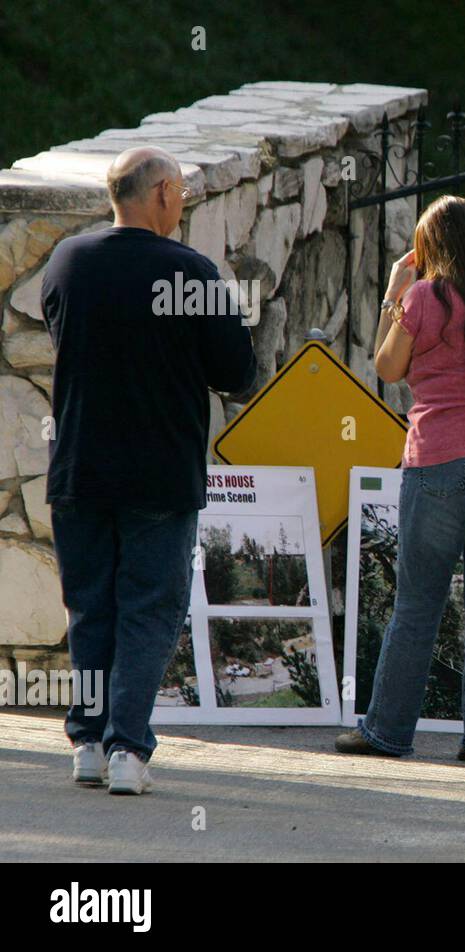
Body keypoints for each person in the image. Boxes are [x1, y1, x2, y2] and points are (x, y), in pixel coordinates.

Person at [41, 147, 256, 794]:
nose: (184, 201)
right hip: (160, 472)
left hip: (80, 466)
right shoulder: (188, 272)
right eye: (182, 191)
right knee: (148, 609)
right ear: (161, 192)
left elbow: (63, 338)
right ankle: (127, 750)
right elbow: (237, 374)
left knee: (90, 607)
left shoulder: (66, 261)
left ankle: (86, 741)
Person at [335, 195, 465, 765]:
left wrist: (394, 295)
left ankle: (388, 733)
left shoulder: (425, 297)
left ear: (432, 251)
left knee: (419, 603)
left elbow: (387, 366)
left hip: (444, 463)